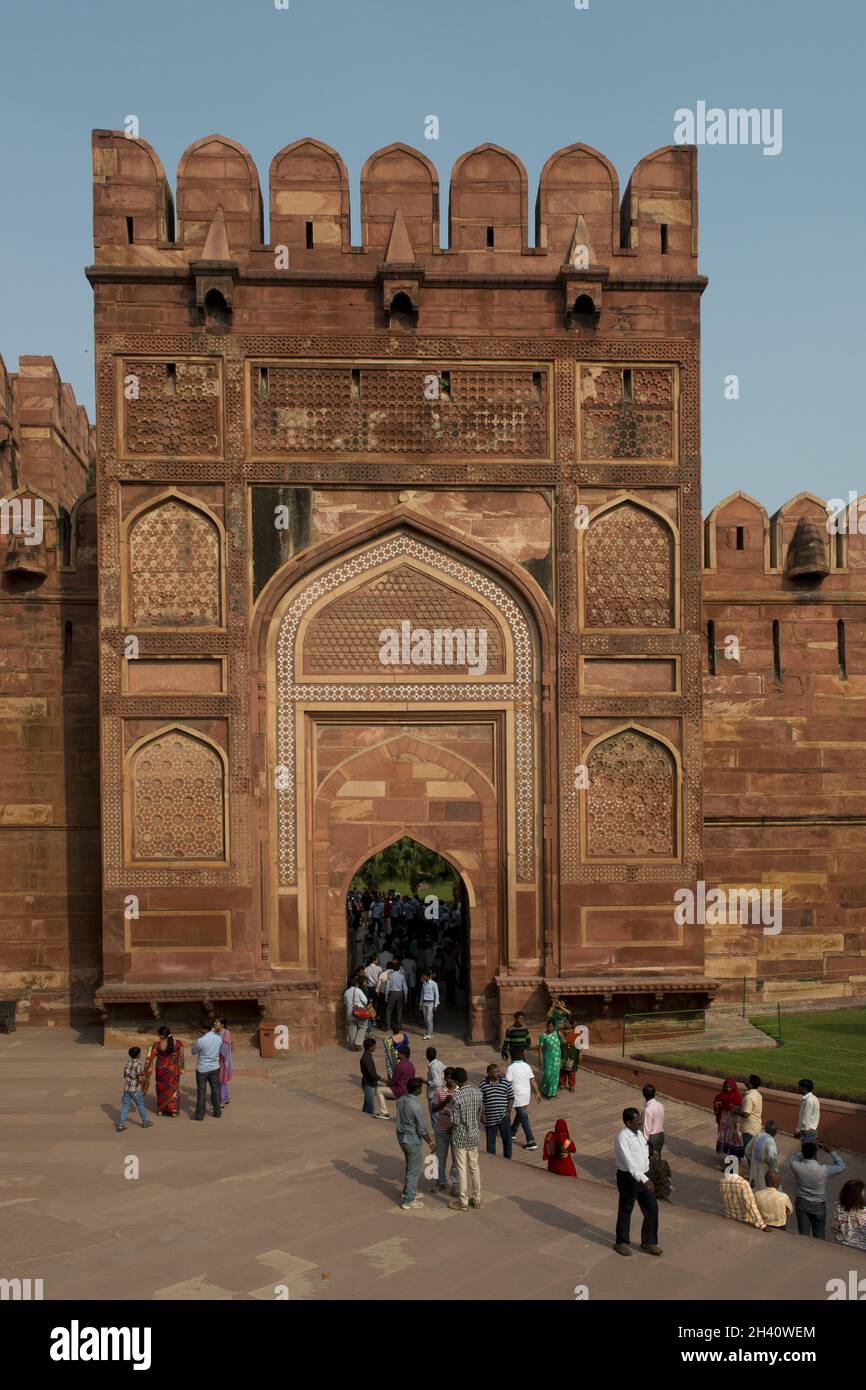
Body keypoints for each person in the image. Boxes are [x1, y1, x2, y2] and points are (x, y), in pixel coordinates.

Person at [613, 1107, 662, 1256]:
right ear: (628, 1122)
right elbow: (629, 1162)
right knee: (626, 1209)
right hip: (629, 1178)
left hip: (644, 1176)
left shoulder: (638, 1133)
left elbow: (642, 1149)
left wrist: (650, 1152)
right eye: (637, 1121)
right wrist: (644, 1179)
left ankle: (649, 1241)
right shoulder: (622, 1137)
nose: (640, 1123)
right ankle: (621, 1242)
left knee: (652, 1208)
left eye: (640, 1120)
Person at [790, 1141, 846, 1238]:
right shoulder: (823, 1170)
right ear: (815, 1154)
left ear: (803, 1153)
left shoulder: (796, 1166)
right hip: (818, 1205)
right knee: (819, 1235)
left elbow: (795, 1158)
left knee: (803, 1235)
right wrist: (831, 1152)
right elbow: (841, 1166)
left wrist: (805, 1150)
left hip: (802, 1203)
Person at [396, 1077, 435, 1212]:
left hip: (402, 1138)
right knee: (414, 1170)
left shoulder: (401, 1100)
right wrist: (430, 1142)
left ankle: (408, 1191)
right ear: (418, 1090)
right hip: (412, 1140)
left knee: (410, 1166)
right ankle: (409, 1200)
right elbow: (421, 1129)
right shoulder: (416, 1107)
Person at [448, 1067, 483, 1212]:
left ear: (456, 1081)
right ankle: (477, 1198)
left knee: (461, 1169)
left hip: (460, 1136)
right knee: (474, 1167)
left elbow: (455, 1121)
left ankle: (463, 1201)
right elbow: (479, 1113)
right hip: (474, 1134)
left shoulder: (456, 1097)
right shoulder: (478, 1093)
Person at [142, 1026, 185, 1117]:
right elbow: (181, 1056)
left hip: (161, 1070)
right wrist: (182, 1067)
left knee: (161, 1089)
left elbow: (150, 1058)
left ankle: (161, 1109)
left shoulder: (157, 1045)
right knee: (173, 1089)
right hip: (173, 1069)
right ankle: (173, 1110)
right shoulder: (178, 1043)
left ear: (161, 1035)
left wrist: (147, 1069)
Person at [430, 1068, 459, 1196]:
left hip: (456, 1131)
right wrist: (445, 1101)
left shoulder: (460, 1091)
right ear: (445, 1078)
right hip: (441, 1130)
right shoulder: (439, 1091)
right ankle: (440, 1182)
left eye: (453, 1078)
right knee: (440, 1158)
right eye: (449, 1078)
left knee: (456, 1159)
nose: (451, 1081)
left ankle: (455, 1184)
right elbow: (434, 1108)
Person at [507, 1049, 541, 1150]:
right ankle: (512, 1132)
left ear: (511, 1057)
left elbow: (507, 1081)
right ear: (521, 1056)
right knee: (521, 1114)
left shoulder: (511, 1068)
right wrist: (537, 1093)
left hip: (517, 1096)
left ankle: (531, 1141)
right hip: (526, 1095)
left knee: (524, 1118)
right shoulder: (527, 1066)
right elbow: (533, 1080)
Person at [480, 1063, 514, 1159]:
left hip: (504, 1117)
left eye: (498, 1071)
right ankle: (492, 1161)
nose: (498, 1073)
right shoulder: (483, 1083)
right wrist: (482, 1115)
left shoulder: (504, 1082)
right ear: (489, 1074)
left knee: (507, 1141)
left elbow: (511, 1097)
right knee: (490, 1142)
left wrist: (508, 1111)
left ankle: (508, 1160)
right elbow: (481, 1100)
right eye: (495, 1072)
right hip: (490, 1118)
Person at [191, 1021, 223, 1120]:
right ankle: (217, 1112)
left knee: (201, 1092)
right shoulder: (218, 1038)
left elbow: (193, 1052)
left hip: (202, 1069)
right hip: (214, 1067)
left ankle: (200, 1115)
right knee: (216, 1089)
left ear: (204, 1029)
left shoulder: (201, 1040)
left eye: (201, 1028)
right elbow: (220, 1048)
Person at [117, 1046, 153, 1131]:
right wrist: (146, 1078)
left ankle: (121, 1124)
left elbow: (125, 1075)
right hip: (135, 1089)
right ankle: (145, 1121)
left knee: (125, 1106)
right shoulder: (139, 1065)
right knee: (140, 1105)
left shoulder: (127, 1063)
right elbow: (140, 1078)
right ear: (138, 1055)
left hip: (126, 1088)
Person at [713, 1077, 745, 1164]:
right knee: (725, 1138)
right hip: (724, 1121)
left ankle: (735, 1158)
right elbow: (717, 1103)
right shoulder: (721, 1095)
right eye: (726, 1086)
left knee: (734, 1139)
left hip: (733, 1122)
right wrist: (717, 1105)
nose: (728, 1088)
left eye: (730, 1087)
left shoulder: (737, 1097)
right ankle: (728, 1157)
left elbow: (739, 1108)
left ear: (733, 1087)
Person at [360, 1037, 392, 1119]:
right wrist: (384, 1080)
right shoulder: (367, 1058)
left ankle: (361, 1118)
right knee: (370, 1107)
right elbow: (372, 1074)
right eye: (374, 1046)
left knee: (367, 1105)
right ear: (370, 1047)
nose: (375, 1047)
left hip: (368, 1083)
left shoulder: (367, 1056)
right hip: (368, 1084)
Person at [831, 1179, 866, 1252]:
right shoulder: (864, 1212)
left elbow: (834, 1229)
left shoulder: (838, 1208)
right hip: (861, 1249)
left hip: (840, 1245)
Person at [747, 1120, 780, 1192]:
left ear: (765, 1128)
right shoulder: (771, 1141)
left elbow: (747, 1151)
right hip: (765, 1173)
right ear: (775, 1133)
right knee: (763, 1191)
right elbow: (772, 1157)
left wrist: (752, 1161)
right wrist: (773, 1168)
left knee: (753, 1189)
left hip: (753, 1169)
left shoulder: (757, 1135)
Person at [342, 980, 370, 1051]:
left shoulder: (346, 992)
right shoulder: (358, 990)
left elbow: (345, 1003)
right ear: (356, 985)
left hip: (350, 1013)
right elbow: (365, 1001)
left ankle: (353, 1046)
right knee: (363, 1027)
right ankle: (357, 1043)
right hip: (359, 1013)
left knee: (352, 1029)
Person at [538, 1019, 562, 1099]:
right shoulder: (543, 1036)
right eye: (549, 1026)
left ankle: (552, 1093)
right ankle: (543, 1089)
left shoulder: (557, 1033)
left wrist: (561, 1036)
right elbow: (540, 1048)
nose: (550, 1028)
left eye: (552, 1026)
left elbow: (564, 1043)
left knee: (555, 1075)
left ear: (554, 1027)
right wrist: (540, 1059)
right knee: (548, 1074)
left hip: (557, 1057)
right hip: (548, 1058)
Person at [740, 1074, 763, 1152]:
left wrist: (736, 1111)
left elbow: (746, 1114)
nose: (745, 1079)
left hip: (749, 1129)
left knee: (748, 1152)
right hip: (756, 1126)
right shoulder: (758, 1095)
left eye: (747, 1079)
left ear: (750, 1084)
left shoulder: (749, 1097)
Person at [641, 1083, 665, 1155]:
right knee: (657, 1160)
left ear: (644, 1095)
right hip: (661, 1136)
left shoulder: (648, 1110)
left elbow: (646, 1128)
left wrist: (643, 1143)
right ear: (654, 1093)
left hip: (652, 1139)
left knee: (651, 1161)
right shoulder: (660, 1105)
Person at [794, 1079, 820, 1143]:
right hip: (810, 1131)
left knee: (805, 1152)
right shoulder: (814, 1098)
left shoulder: (808, 1101)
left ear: (805, 1088)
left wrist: (797, 1131)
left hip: (807, 1133)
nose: (798, 1088)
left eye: (799, 1087)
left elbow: (804, 1119)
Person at [385, 963, 408, 1031]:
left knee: (389, 1009)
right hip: (400, 993)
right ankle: (398, 1025)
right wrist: (406, 995)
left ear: (393, 968)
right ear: (399, 968)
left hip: (392, 993)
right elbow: (405, 987)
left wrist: (386, 995)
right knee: (399, 1009)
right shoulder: (401, 976)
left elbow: (387, 986)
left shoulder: (390, 976)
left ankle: (388, 1026)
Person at [215, 1018, 232, 1106]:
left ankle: (221, 1101)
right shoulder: (216, 1033)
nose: (215, 1023)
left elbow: (224, 1048)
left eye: (217, 1022)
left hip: (223, 1060)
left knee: (221, 1079)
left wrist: (215, 1053)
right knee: (223, 1079)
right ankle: (226, 1097)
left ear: (222, 1024)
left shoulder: (226, 1033)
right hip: (218, 1059)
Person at [424, 1046, 444, 1120]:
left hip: (433, 1095)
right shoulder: (439, 1063)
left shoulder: (433, 1067)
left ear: (427, 1056)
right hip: (440, 1093)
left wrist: (426, 1082)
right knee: (438, 1116)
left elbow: (437, 1082)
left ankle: (438, 1131)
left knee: (435, 1117)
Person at [419, 971, 439, 1038]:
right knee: (425, 1019)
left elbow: (436, 995)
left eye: (423, 976)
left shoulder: (434, 984)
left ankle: (430, 1034)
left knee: (429, 1019)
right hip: (424, 1002)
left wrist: (435, 1005)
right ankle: (427, 1032)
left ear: (427, 976)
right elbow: (422, 994)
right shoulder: (424, 984)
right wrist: (420, 1003)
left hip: (431, 1003)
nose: (422, 977)